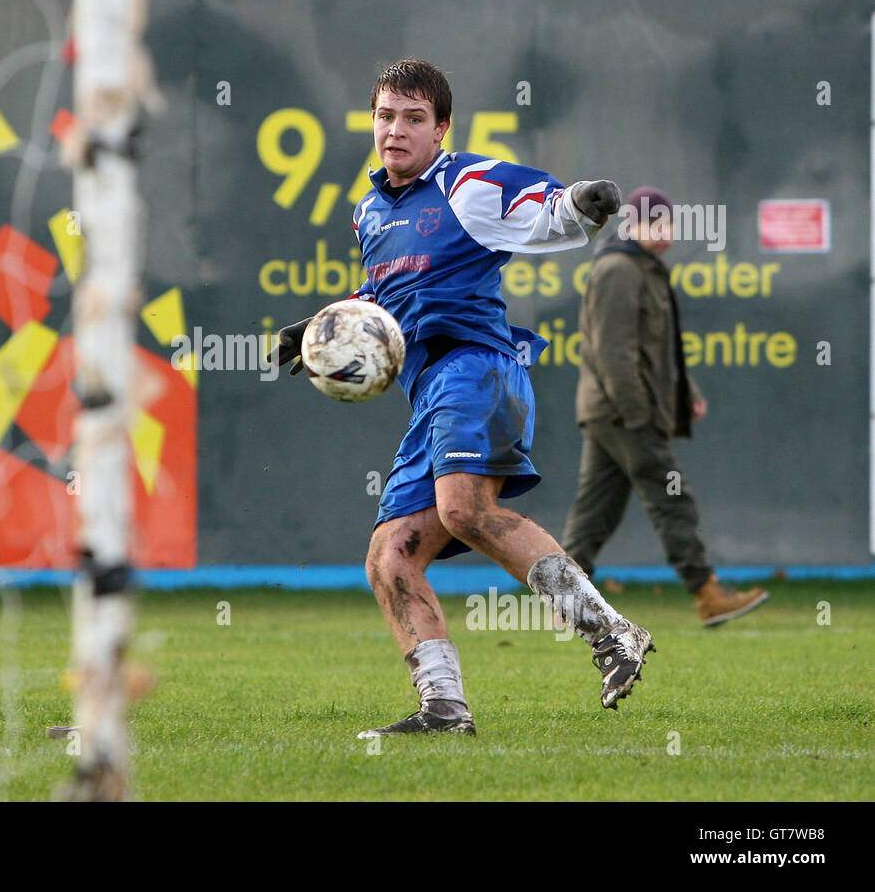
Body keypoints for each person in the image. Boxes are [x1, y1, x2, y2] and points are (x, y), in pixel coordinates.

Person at [269, 58, 652, 737]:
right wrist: (317, 328)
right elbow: (387, 298)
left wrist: (580, 202)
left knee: (463, 507)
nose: (395, 130)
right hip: (429, 394)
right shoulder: (369, 211)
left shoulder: (464, 182)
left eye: (413, 118)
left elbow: (537, 209)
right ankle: (443, 708)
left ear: (441, 128)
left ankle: (611, 632)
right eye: (386, 115)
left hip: (476, 369)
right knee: (390, 556)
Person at [561, 186, 769, 627]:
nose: (665, 230)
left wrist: (685, 393)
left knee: (595, 512)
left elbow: (659, 348)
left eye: (668, 221)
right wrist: (638, 415)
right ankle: (706, 593)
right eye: (654, 221)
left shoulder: (643, 267)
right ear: (631, 225)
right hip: (623, 413)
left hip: (613, 411)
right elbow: (613, 352)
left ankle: (564, 600)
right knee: (672, 497)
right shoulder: (619, 269)